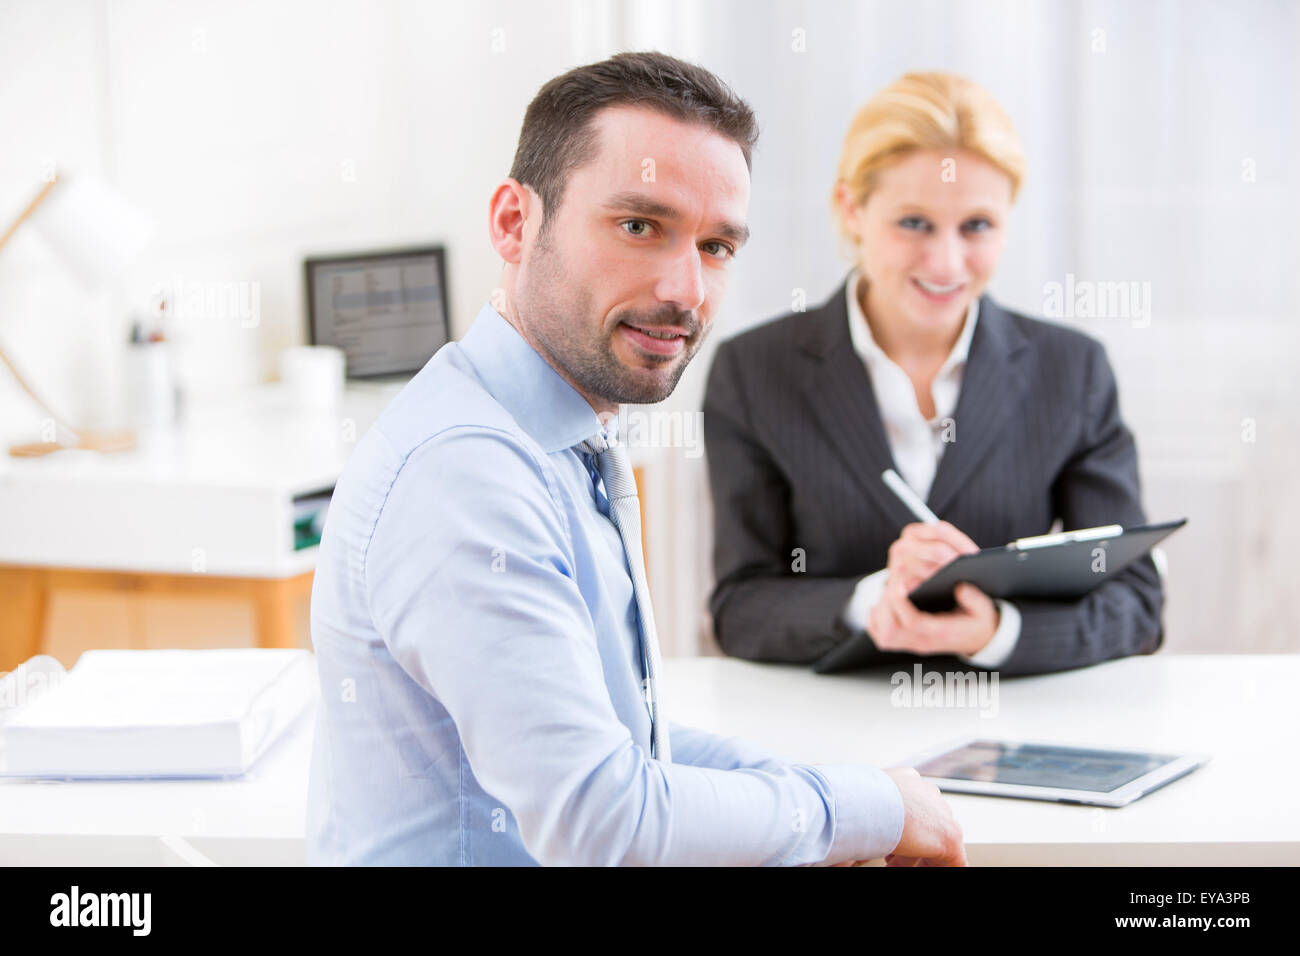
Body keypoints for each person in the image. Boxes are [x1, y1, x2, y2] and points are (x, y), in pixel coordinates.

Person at [306, 52, 965, 866]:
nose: (686, 288)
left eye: (718, 245)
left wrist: (857, 796)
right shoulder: (465, 475)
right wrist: (861, 809)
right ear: (515, 223)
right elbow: (602, 822)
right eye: (639, 226)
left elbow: (627, 747)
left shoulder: (557, 434)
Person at [705, 71, 1164, 676]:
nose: (947, 263)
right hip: (830, 734)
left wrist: (998, 631)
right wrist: (873, 601)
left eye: (977, 226)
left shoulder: (1071, 371)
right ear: (852, 210)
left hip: (1017, 729)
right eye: (914, 223)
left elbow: (1135, 601)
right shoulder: (754, 370)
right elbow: (741, 605)